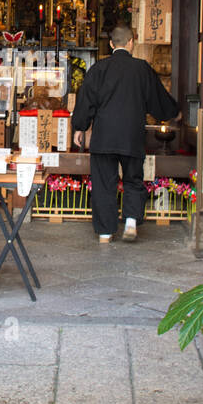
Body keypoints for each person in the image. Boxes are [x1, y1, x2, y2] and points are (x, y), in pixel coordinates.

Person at [71, 25, 179, 243]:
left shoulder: (99, 69)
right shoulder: (142, 69)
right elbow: (157, 99)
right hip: (131, 135)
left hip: (104, 136)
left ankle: (105, 232)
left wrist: (80, 127)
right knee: (133, 179)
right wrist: (174, 113)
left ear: (111, 44)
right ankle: (130, 222)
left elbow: (86, 100)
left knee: (103, 183)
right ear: (132, 42)